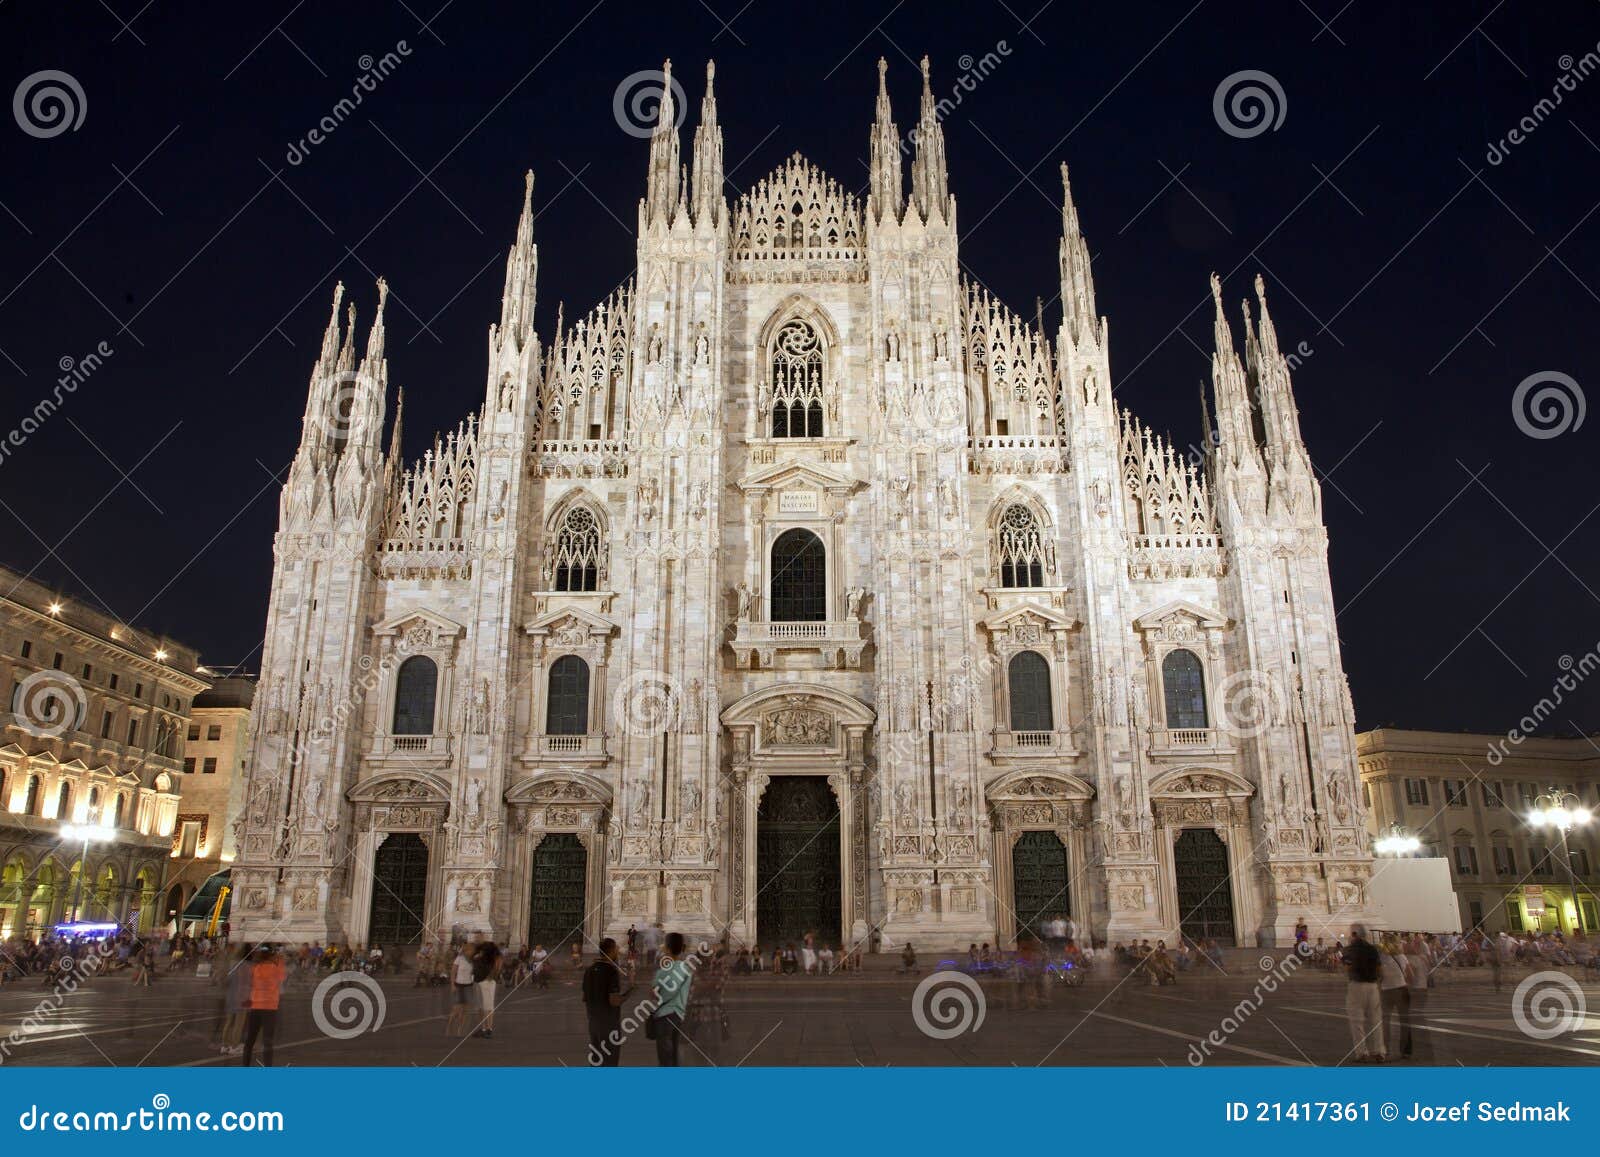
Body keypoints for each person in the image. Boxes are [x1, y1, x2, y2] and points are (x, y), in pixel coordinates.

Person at [582, 937, 631, 1066]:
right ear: (611, 950)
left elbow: (584, 997)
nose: (617, 951)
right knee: (609, 1061)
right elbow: (614, 1001)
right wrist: (630, 991)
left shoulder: (589, 970)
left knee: (596, 1059)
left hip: (593, 1023)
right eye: (616, 949)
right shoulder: (611, 971)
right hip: (609, 1025)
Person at [651, 932, 693, 1066]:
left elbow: (653, 994)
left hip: (664, 1016)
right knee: (676, 1055)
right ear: (682, 948)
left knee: (665, 1057)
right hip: (680, 1015)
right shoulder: (687, 968)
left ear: (667, 948)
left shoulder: (663, 970)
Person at [1344, 924, 1384, 1063]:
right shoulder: (1373, 949)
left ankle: (1361, 1053)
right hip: (1372, 986)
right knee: (1376, 1021)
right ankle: (1379, 1051)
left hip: (1356, 986)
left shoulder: (1350, 949)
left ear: (1354, 935)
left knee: (1356, 1021)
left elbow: (1348, 967)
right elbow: (1379, 968)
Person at [241, 946, 286, 1067]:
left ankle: (245, 1066)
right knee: (268, 1042)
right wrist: (280, 959)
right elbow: (282, 978)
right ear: (271, 956)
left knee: (249, 1041)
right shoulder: (276, 968)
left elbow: (249, 983)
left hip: (256, 1006)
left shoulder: (255, 968)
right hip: (270, 1008)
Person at [1378, 935, 1412, 1060]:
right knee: (1404, 1022)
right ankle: (1405, 1051)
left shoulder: (1382, 958)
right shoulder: (1402, 957)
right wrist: (1407, 983)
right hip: (1401, 990)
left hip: (1386, 991)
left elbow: (1379, 976)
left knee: (1385, 1022)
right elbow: (1410, 974)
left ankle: (1385, 1049)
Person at [219, 946, 251, 1056]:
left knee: (229, 1022)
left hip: (230, 996)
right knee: (239, 1024)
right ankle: (234, 1046)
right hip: (243, 997)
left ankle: (224, 1046)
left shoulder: (232, 965)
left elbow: (226, 981)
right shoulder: (246, 966)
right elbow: (248, 983)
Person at [474, 940, 503, 1039]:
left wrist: (492, 975)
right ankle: (482, 1028)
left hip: (487, 981)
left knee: (488, 1006)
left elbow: (498, 962)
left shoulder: (493, 954)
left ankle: (489, 1029)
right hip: (478, 981)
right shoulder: (479, 954)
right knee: (480, 1007)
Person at [447, 943, 476, 1037]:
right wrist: (452, 984)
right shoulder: (459, 958)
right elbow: (453, 972)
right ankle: (449, 1026)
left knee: (465, 1010)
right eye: (471, 950)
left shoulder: (473, 960)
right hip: (459, 985)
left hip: (468, 986)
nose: (472, 951)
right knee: (456, 1009)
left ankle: (460, 1029)